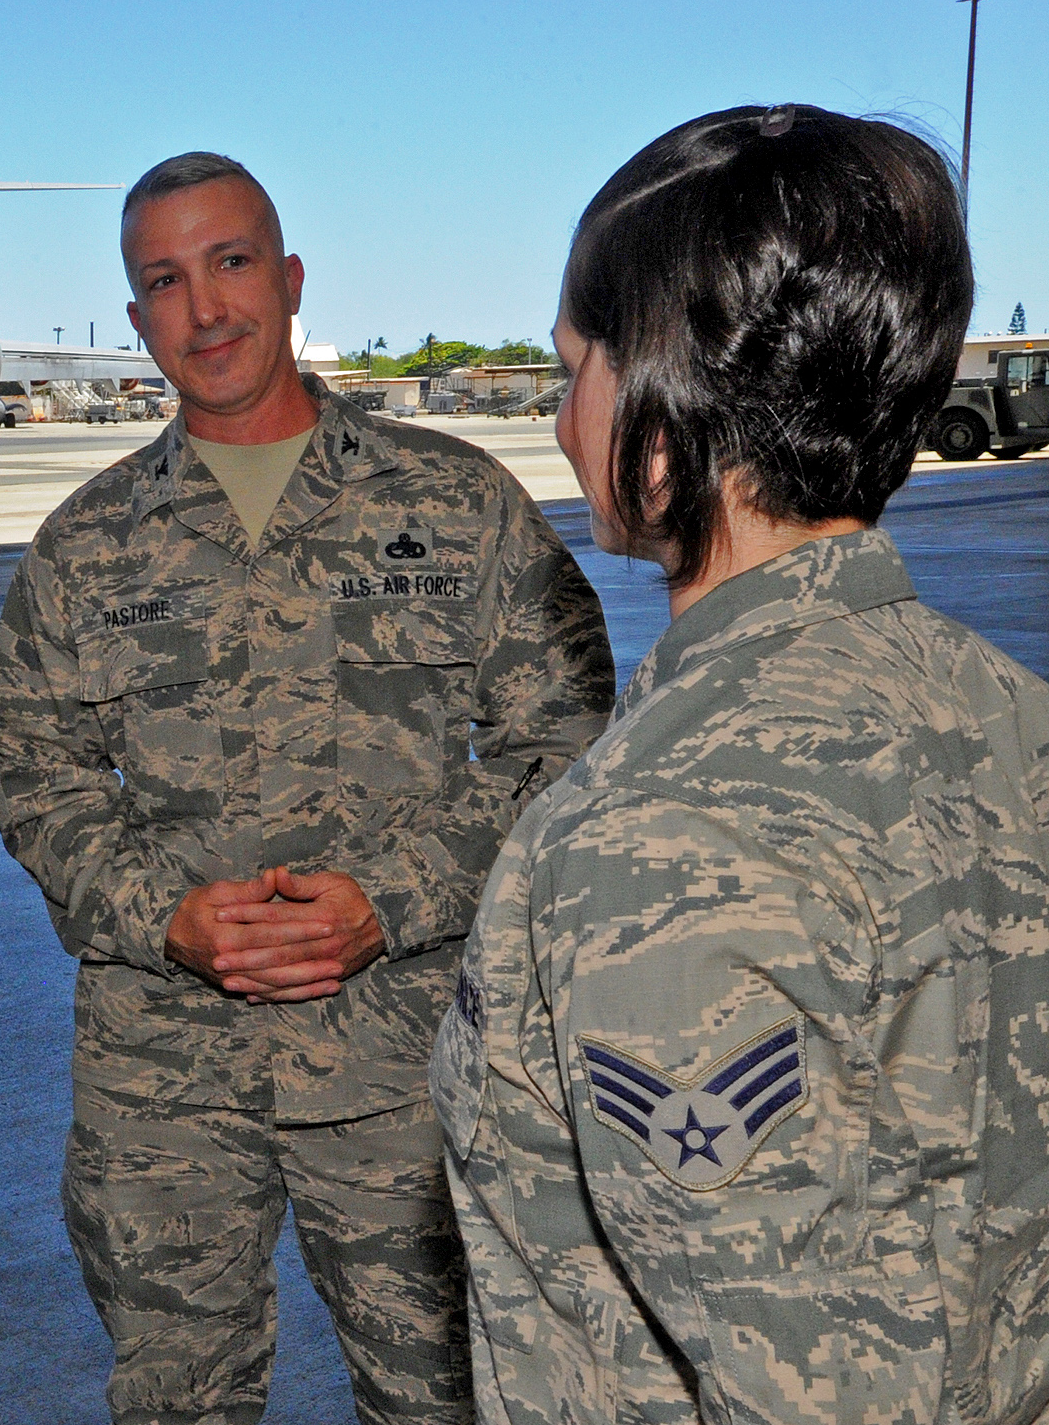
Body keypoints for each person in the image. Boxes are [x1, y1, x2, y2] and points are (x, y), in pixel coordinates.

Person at [0, 152, 614, 1425]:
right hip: (163, 1082)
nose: (204, 309)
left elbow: (573, 748)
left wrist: (393, 898)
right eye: (164, 280)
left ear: (291, 277)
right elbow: (34, 768)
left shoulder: (457, 504)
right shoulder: (87, 542)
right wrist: (165, 912)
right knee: (175, 1400)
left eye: (231, 263)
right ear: (136, 314)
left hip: (407, 1066)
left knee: (444, 1392)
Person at [434, 104, 1049, 1425]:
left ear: (659, 413)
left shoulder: (658, 828)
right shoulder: (1012, 715)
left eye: (574, 370)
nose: (557, 422)